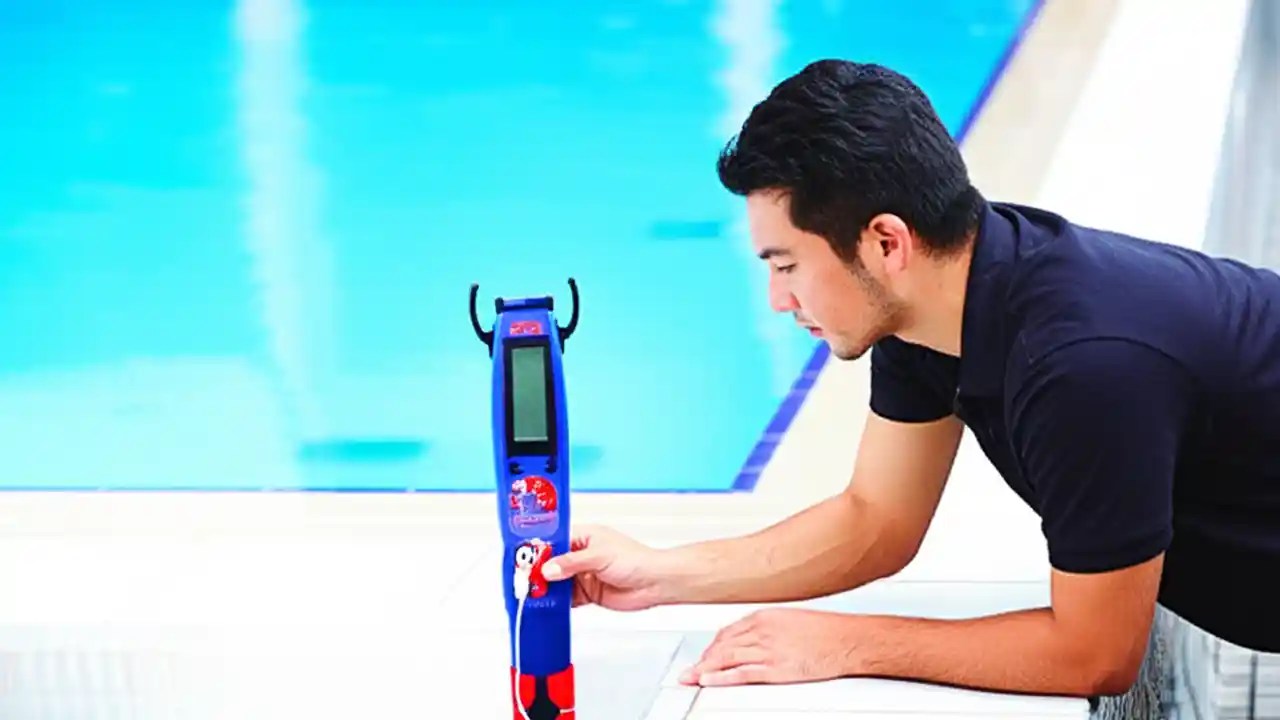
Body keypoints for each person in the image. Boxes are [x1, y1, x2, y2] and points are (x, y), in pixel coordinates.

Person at [539, 59, 1280, 698]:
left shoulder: (1081, 365)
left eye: (787, 265)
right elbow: (877, 520)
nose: (778, 301)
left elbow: (1095, 654)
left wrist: (849, 644)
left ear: (886, 240)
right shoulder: (937, 307)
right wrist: (656, 574)